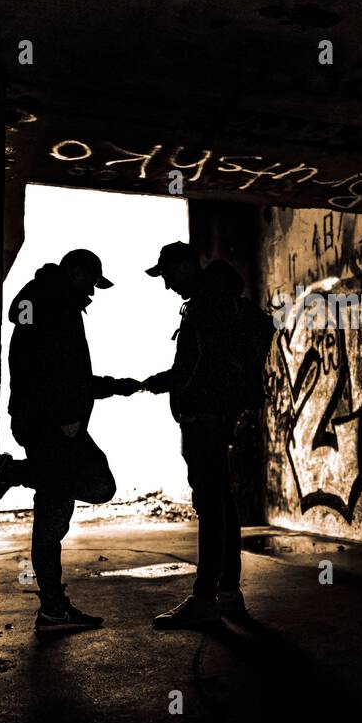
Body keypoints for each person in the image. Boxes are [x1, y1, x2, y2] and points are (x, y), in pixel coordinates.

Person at [0, 249, 140, 632]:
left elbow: (57, 371)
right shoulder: (57, 304)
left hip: (38, 421)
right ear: (76, 272)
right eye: (91, 281)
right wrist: (67, 418)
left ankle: (53, 610)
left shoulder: (41, 300)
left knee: (51, 517)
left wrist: (115, 387)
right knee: (98, 485)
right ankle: (14, 472)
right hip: (53, 425)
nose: (92, 291)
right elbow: (54, 369)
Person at [141, 242, 253, 629]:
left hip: (204, 417)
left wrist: (163, 383)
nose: (167, 284)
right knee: (222, 501)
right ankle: (229, 593)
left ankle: (205, 598)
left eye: (168, 274)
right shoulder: (220, 298)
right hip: (216, 415)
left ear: (187, 266)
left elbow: (196, 365)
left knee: (210, 504)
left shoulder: (206, 303)